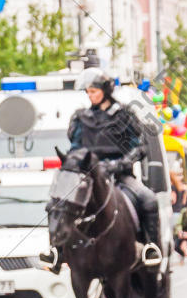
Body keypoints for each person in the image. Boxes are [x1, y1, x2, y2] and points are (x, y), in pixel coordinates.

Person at [57, 67, 163, 266]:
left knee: (148, 200)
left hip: (120, 175)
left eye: (94, 91)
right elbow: (76, 147)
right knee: (61, 200)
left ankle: (150, 247)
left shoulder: (124, 115)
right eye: (88, 92)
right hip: (88, 176)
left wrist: (118, 164)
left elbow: (139, 147)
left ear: (105, 90)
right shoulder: (82, 117)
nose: (91, 96)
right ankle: (58, 251)